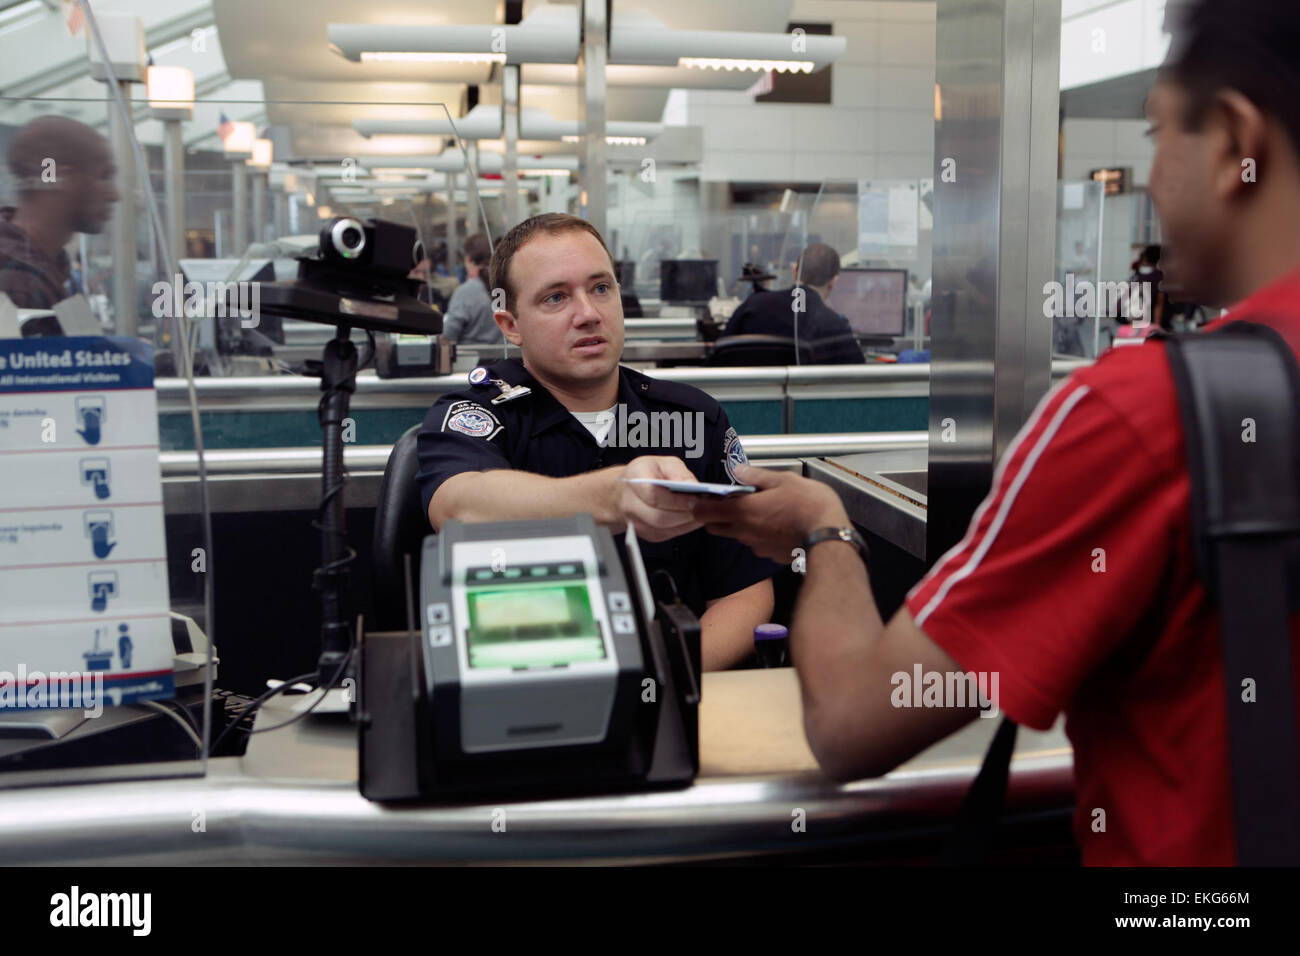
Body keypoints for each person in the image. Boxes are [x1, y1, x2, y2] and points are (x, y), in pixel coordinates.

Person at [691, 0, 1300, 864]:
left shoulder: (1149, 416)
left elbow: (859, 720)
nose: (1154, 177)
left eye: (1161, 134)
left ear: (1239, 139)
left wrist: (821, 527)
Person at [415, 213, 777, 671]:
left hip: (672, 684)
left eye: (601, 288)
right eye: (555, 297)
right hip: (521, 688)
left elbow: (744, 589)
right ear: (510, 325)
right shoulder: (478, 416)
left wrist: (658, 680)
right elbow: (461, 507)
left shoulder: (691, 418)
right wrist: (613, 496)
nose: (588, 313)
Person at [0, 116, 118, 310]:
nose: (114, 195)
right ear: (66, 179)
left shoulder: (43, 267)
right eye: (104, 177)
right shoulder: (20, 283)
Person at [721, 243, 865, 364]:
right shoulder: (835, 326)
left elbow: (719, 353)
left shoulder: (754, 305)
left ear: (795, 271)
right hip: (807, 396)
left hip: (744, 395)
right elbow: (860, 377)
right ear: (834, 282)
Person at [440, 232, 503, 345]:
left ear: (468, 259)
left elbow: (449, 335)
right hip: (503, 359)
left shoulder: (465, 291)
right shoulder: (503, 287)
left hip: (470, 360)